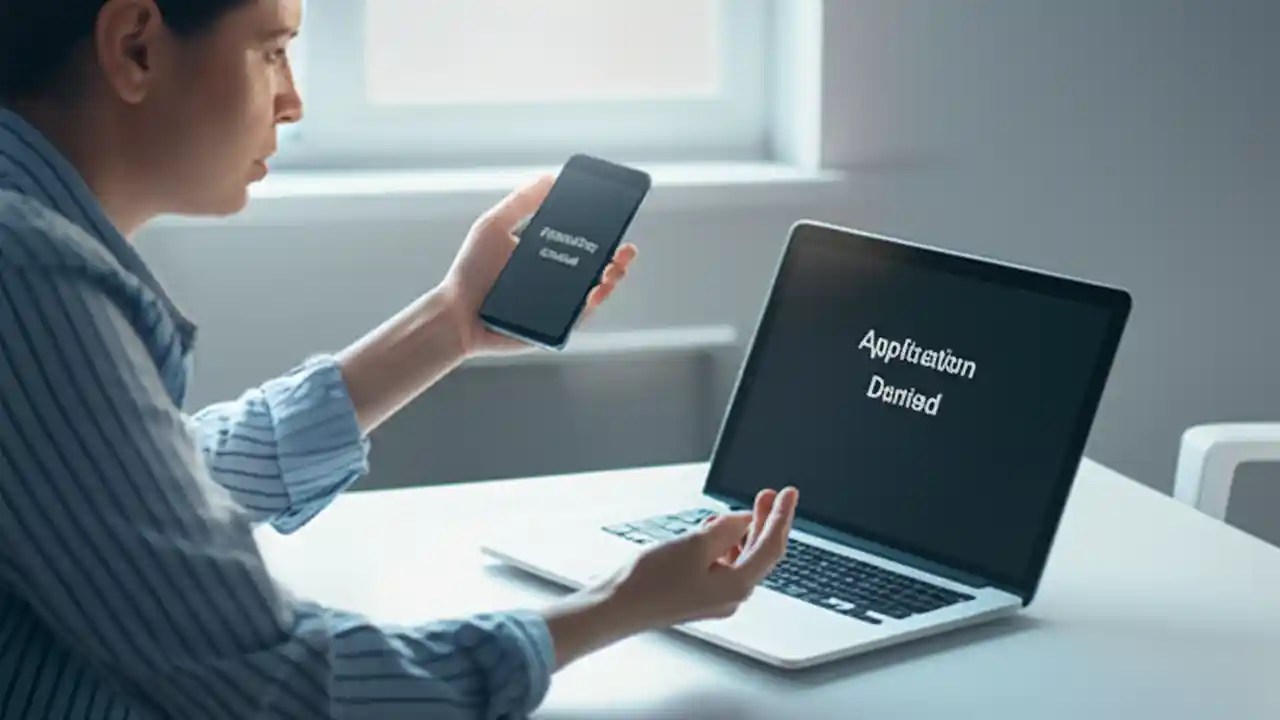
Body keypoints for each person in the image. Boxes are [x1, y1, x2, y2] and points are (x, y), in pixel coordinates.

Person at [0, 1, 800, 717]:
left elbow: (147, 489)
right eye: (272, 49)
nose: (294, 100)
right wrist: (616, 605)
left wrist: (452, 322)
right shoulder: (32, 274)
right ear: (137, 46)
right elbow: (279, 685)